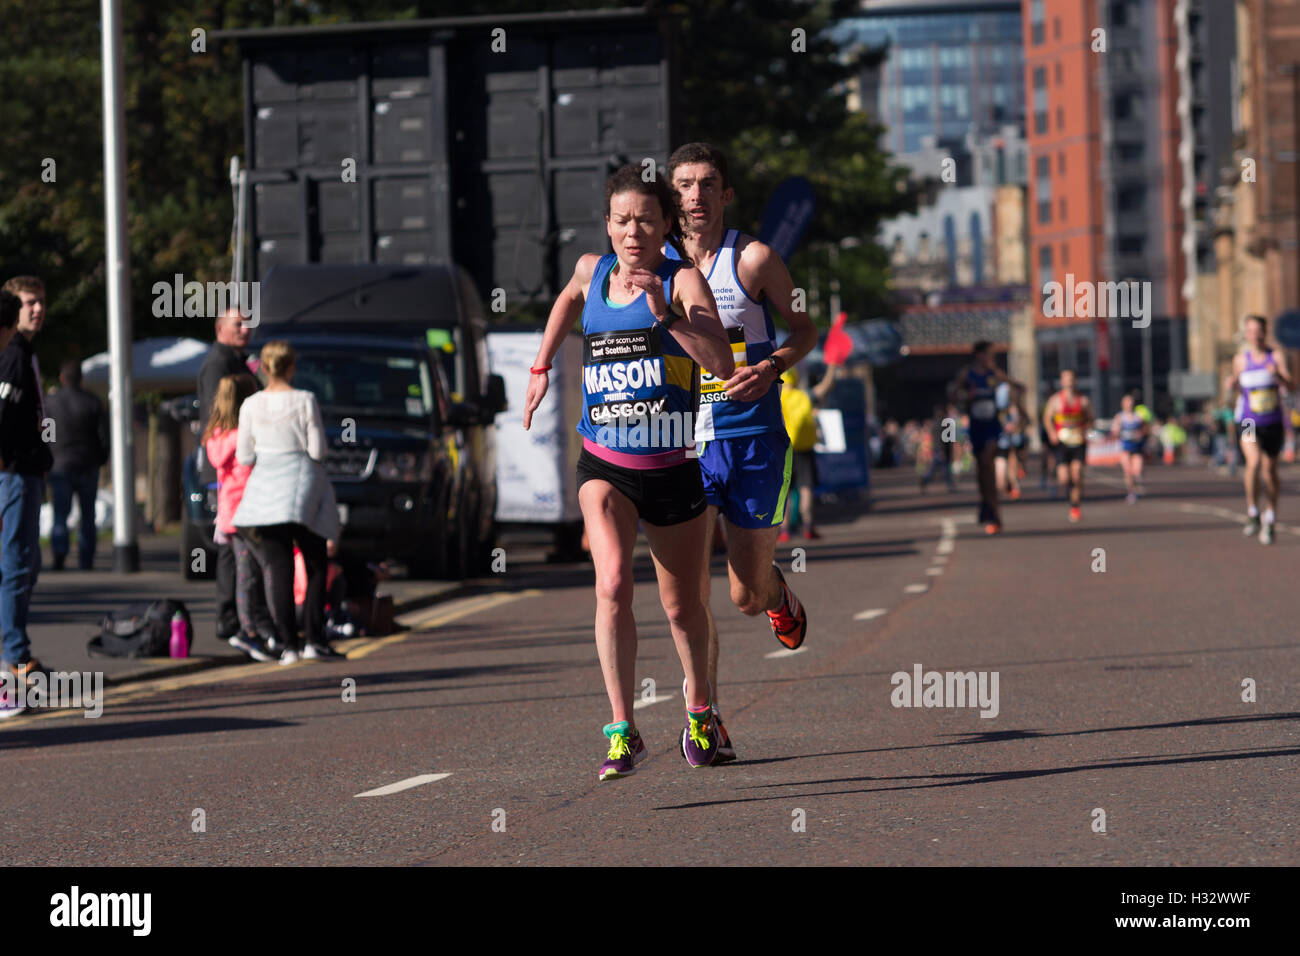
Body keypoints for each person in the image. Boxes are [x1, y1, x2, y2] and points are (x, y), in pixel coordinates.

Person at [521, 164, 734, 780]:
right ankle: (623, 729)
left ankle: (700, 709)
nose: (631, 232)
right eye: (620, 220)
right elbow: (566, 299)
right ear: (608, 225)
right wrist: (540, 368)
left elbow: (719, 361)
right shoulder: (593, 271)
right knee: (612, 584)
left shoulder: (684, 280)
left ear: (667, 223)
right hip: (604, 462)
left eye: (645, 219)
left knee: (682, 608)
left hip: (671, 465)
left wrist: (666, 314)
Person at [667, 143, 818, 764]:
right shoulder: (656, 266)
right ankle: (706, 719)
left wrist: (773, 363)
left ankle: (777, 595)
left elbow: (806, 325)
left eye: (707, 184)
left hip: (752, 439)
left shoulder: (754, 259)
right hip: (683, 447)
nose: (695, 196)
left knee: (744, 597)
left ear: (726, 194)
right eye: (683, 186)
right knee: (688, 593)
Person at [232, 341, 343, 663]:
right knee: (316, 564)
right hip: (301, 489)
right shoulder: (306, 400)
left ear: (264, 368)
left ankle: (287, 645)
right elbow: (318, 451)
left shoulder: (251, 405)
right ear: (291, 367)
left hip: (266, 491)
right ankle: (314, 639)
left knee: (277, 569)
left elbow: (244, 455)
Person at [199, 307, 268, 646]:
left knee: (237, 549)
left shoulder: (238, 361)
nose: (245, 329)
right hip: (225, 470)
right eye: (237, 324)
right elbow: (220, 415)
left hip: (236, 468)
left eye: (247, 324)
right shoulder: (219, 364)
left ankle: (243, 616)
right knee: (229, 548)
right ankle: (229, 619)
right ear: (219, 328)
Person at [0, 277, 54, 697]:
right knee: (16, 565)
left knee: (25, 564)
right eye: (28, 303)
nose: (37, 309)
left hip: (27, 472)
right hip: (15, 474)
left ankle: (18, 654)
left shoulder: (25, 352)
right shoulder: (13, 355)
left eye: (40, 302)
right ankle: (15, 659)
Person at [203, 372, 279, 661]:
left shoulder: (218, 434)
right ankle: (251, 630)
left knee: (251, 573)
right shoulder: (240, 436)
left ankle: (255, 627)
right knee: (255, 573)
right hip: (245, 513)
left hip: (234, 513)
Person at [1224, 314, 1291, 544]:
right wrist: (1231, 386)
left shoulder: (1277, 356)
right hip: (1249, 421)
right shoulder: (1240, 360)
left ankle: (1270, 516)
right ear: (1246, 334)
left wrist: (1279, 375)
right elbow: (1234, 392)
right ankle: (1253, 512)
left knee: (1269, 471)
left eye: (1259, 330)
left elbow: (1292, 385)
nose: (1255, 335)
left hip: (1272, 422)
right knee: (1253, 463)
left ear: (1265, 332)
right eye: (1251, 331)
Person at [950, 341, 1024, 534]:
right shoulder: (967, 374)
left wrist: (1016, 393)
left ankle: (993, 513)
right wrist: (967, 395)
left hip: (992, 426)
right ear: (979, 355)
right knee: (983, 471)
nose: (991, 358)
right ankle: (986, 504)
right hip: (976, 427)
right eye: (988, 354)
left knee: (987, 462)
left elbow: (1016, 386)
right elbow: (953, 396)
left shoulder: (995, 374)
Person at [44, 360, 109, 570]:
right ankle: (86, 557)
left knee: (60, 513)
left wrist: (48, 456)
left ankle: (60, 553)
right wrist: (101, 458)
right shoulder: (92, 402)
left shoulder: (51, 403)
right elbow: (103, 437)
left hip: (60, 463)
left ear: (62, 378)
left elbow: (47, 434)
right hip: (87, 463)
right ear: (81, 379)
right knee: (88, 514)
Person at [778, 364, 836, 541]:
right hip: (804, 450)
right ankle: (808, 526)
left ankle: (785, 530)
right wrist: (832, 367)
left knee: (784, 492)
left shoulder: (776, 398)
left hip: (783, 449)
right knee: (806, 489)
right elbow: (825, 387)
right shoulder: (804, 396)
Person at [1043, 368, 1094, 522]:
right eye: (1065, 378)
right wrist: (1052, 432)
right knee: (1064, 478)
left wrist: (1085, 430)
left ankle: (1075, 507)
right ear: (1062, 381)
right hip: (1062, 443)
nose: (1068, 382)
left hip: (1078, 442)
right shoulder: (1055, 400)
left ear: (1075, 381)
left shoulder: (1083, 400)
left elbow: (1091, 419)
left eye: (1071, 378)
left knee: (1077, 473)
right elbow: (1046, 418)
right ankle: (1072, 488)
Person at [1110, 392, 1147, 504]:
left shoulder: (1138, 416)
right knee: (1128, 471)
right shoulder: (1119, 417)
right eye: (1126, 402)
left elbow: (1145, 430)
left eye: (1130, 402)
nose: (1129, 404)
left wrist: (1140, 434)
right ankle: (1131, 492)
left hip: (1137, 448)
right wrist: (1119, 434)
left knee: (1137, 471)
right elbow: (1114, 432)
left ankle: (1136, 485)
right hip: (1125, 447)